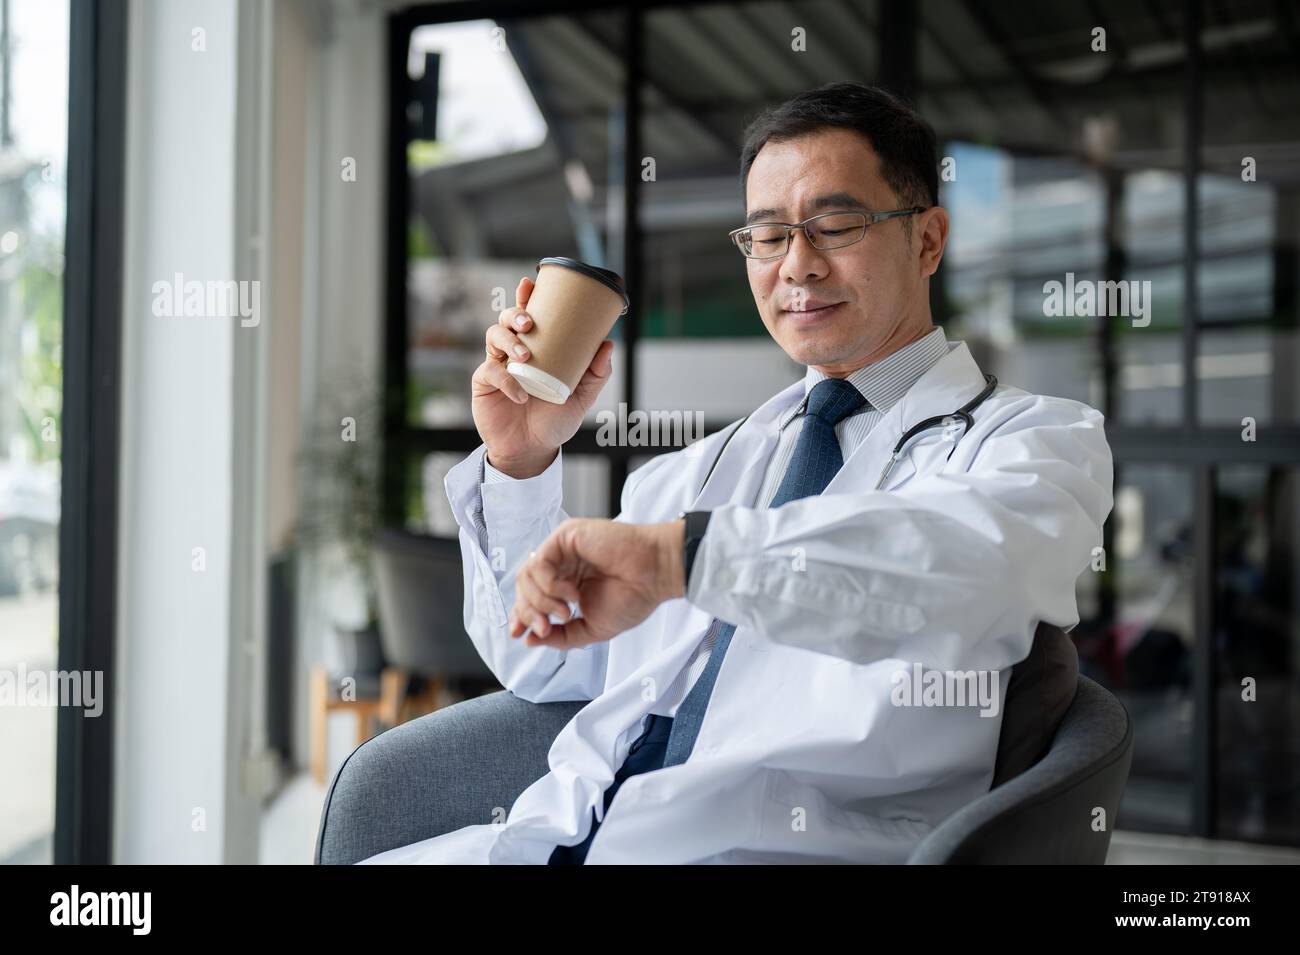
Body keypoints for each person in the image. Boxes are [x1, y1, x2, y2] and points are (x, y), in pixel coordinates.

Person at [359, 82, 1113, 864]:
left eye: (836, 224)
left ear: (927, 241)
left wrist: (680, 559)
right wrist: (520, 458)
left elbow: (960, 569)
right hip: (558, 833)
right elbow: (543, 660)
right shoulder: (699, 468)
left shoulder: (1035, 442)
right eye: (767, 235)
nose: (798, 265)